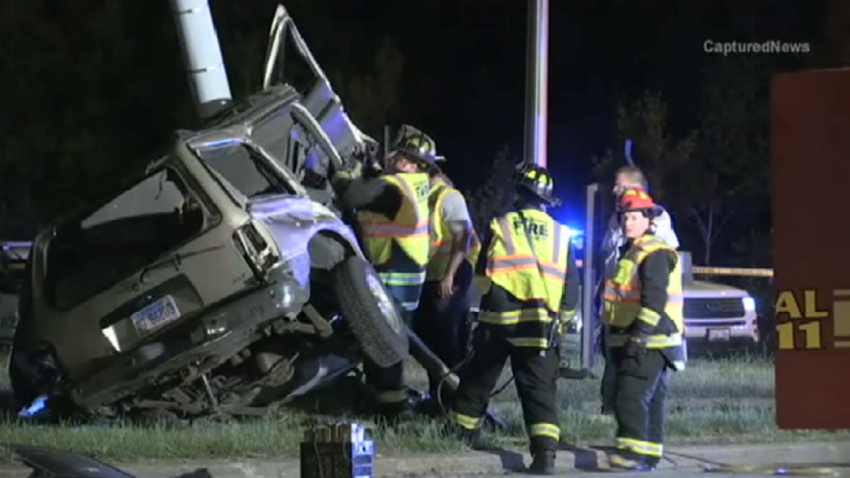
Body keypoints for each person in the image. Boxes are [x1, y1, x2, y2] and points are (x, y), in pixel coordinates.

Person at [448, 164, 579, 475]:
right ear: (546, 201)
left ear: (518, 194)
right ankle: (545, 456)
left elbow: (482, 275)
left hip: (499, 322)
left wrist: (486, 306)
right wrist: (563, 321)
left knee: (478, 379)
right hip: (541, 326)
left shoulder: (501, 224)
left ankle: (460, 433)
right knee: (539, 391)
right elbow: (571, 286)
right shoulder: (562, 234)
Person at [332, 125, 440, 421]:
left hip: (393, 276)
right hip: (404, 278)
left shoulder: (396, 186)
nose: (393, 159)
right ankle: (380, 404)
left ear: (409, 161)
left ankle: (393, 410)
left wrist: (344, 174)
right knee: (385, 343)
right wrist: (371, 171)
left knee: (385, 348)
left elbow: (355, 196)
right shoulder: (411, 185)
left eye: (398, 155)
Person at [603, 188, 685, 471]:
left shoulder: (653, 252)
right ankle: (649, 454)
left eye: (634, 217)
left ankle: (628, 455)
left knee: (629, 397)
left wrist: (639, 336)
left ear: (648, 220)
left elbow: (655, 300)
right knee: (651, 401)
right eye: (624, 217)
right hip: (649, 340)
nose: (627, 223)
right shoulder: (633, 251)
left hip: (649, 341)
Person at [598, 165, 680, 414]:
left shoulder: (656, 219)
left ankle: (636, 445)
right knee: (619, 390)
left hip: (652, 325)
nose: (614, 190)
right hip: (621, 319)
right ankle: (631, 438)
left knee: (648, 395)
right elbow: (610, 258)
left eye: (620, 185)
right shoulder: (617, 218)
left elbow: (657, 261)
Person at [413, 168, 481, 401]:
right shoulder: (427, 199)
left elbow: (463, 239)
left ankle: (451, 397)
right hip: (435, 275)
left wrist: (449, 275)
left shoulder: (448, 197)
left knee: (448, 338)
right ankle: (439, 395)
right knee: (431, 337)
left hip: (453, 273)